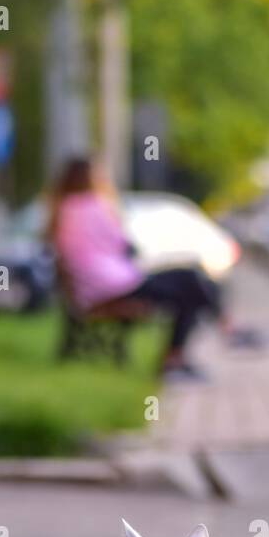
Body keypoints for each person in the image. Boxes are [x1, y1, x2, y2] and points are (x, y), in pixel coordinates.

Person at [48, 156, 220, 380]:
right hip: (114, 286)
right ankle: (180, 356)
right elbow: (123, 243)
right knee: (189, 282)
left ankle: (201, 341)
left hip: (96, 288)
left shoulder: (60, 210)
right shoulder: (95, 206)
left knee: (188, 283)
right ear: (90, 177)